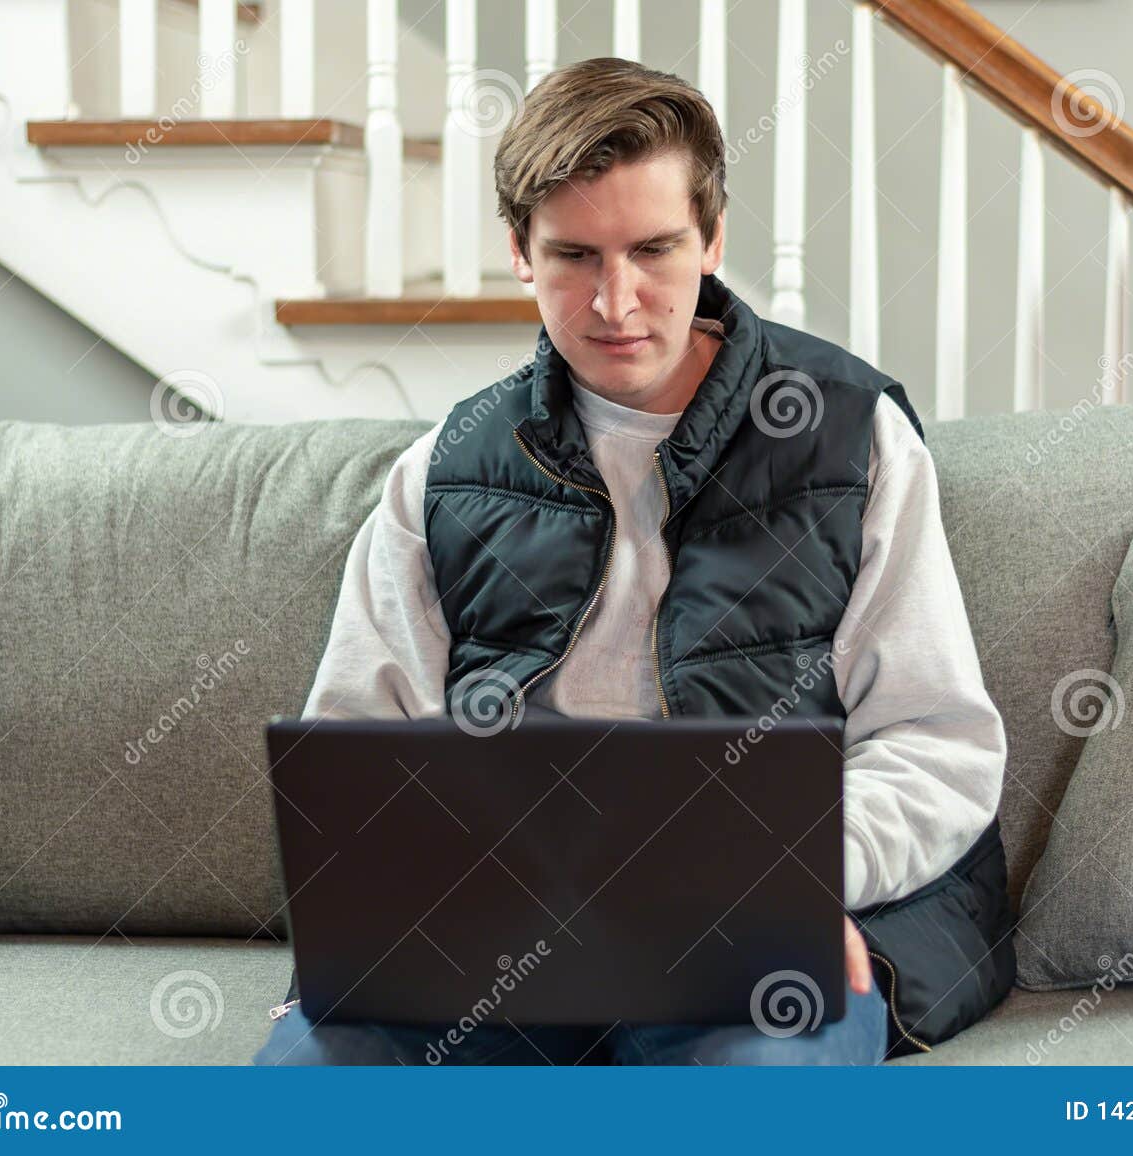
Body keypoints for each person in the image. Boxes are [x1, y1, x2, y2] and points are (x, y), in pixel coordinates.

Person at [255, 57, 1012, 1067]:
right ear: (519, 252)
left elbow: (936, 741)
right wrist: (369, 926)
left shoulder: (850, 435)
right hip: (505, 944)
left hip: (753, 925)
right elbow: (358, 750)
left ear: (712, 237)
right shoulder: (441, 471)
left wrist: (790, 883)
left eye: (654, 249)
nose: (617, 302)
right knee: (304, 1080)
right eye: (574, 255)